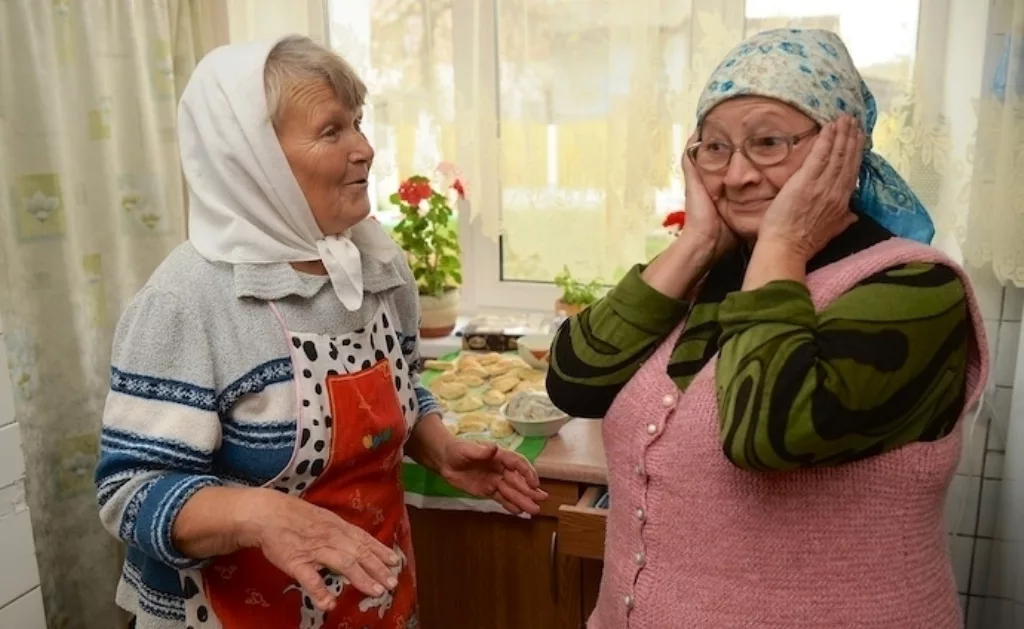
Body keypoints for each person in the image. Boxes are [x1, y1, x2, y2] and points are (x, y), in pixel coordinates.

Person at [95, 35, 546, 629]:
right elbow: (127, 492)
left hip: (373, 600)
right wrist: (258, 516)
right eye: (332, 131)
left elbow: (405, 384)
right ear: (251, 156)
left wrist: (438, 446)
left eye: (358, 124)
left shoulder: (378, 266)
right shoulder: (187, 300)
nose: (365, 148)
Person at [546, 28, 988, 629]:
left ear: (845, 148)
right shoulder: (708, 270)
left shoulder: (916, 288)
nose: (737, 176)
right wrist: (697, 240)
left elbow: (768, 436)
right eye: (716, 148)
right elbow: (575, 384)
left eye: (769, 143)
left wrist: (784, 241)